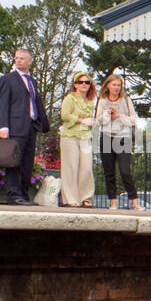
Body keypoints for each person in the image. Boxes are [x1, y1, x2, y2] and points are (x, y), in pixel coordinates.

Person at [0, 47, 50, 205]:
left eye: (21, 58)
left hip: (31, 126)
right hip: (15, 126)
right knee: (14, 161)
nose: (18, 60)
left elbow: (35, 102)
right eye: (16, 58)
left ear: (29, 61)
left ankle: (24, 195)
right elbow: (3, 104)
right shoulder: (8, 79)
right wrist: (3, 126)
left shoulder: (32, 81)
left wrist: (41, 123)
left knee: (27, 162)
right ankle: (14, 195)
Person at [95, 73, 139, 210]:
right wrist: (108, 114)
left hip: (123, 137)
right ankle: (113, 202)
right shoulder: (102, 100)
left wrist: (118, 116)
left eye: (119, 85)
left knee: (125, 171)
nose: (116, 88)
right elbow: (99, 121)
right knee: (109, 172)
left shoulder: (126, 100)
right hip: (107, 137)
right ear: (108, 85)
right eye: (114, 85)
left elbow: (133, 119)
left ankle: (135, 202)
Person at [58, 72, 97, 208]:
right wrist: (81, 120)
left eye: (87, 82)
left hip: (85, 137)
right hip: (70, 136)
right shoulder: (70, 98)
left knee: (86, 168)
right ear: (75, 85)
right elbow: (64, 115)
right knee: (70, 167)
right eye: (80, 82)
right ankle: (70, 199)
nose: (84, 84)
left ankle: (85, 198)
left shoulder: (91, 102)